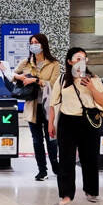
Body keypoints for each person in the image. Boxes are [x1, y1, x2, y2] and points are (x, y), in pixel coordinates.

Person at [49, 47, 103, 205]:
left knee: (90, 157)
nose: (81, 61)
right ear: (69, 61)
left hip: (89, 122)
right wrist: (51, 123)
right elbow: (52, 102)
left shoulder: (94, 79)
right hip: (67, 122)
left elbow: (102, 101)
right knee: (66, 160)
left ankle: (91, 190)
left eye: (84, 58)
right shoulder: (62, 79)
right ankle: (66, 196)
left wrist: (91, 86)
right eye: (77, 58)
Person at [14, 33, 61, 181]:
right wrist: (21, 77)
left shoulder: (54, 64)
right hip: (32, 106)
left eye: (36, 42)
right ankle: (42, 170)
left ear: (43, 44)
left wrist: (35, 80)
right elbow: (12, 74)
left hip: (48, 107)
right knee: (36, 140)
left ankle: (55, 165)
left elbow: (54, 84)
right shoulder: (27, 62)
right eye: (31, 42)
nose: (33, 45)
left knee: (51, 138)